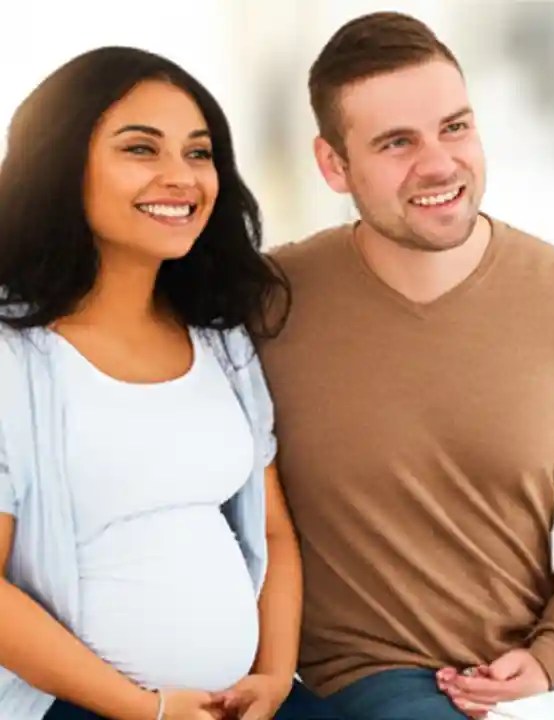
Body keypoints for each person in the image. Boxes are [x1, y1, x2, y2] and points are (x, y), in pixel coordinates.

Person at [254, 11, 554, 720]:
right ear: (333, 165)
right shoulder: (268, 305)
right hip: (366, 679)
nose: (439, 163)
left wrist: (552, 657)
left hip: (539, 670)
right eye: (396, 143)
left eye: (455, 127)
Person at [0, 47, 334, 720]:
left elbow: (273, 534)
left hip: (248, 702)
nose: (180, 177)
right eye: (141, 149)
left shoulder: (221, 339)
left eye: (199, 153)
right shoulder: (15, 356)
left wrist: (273, 676)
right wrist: (145, 709)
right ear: (63, 163)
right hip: (80, 709)